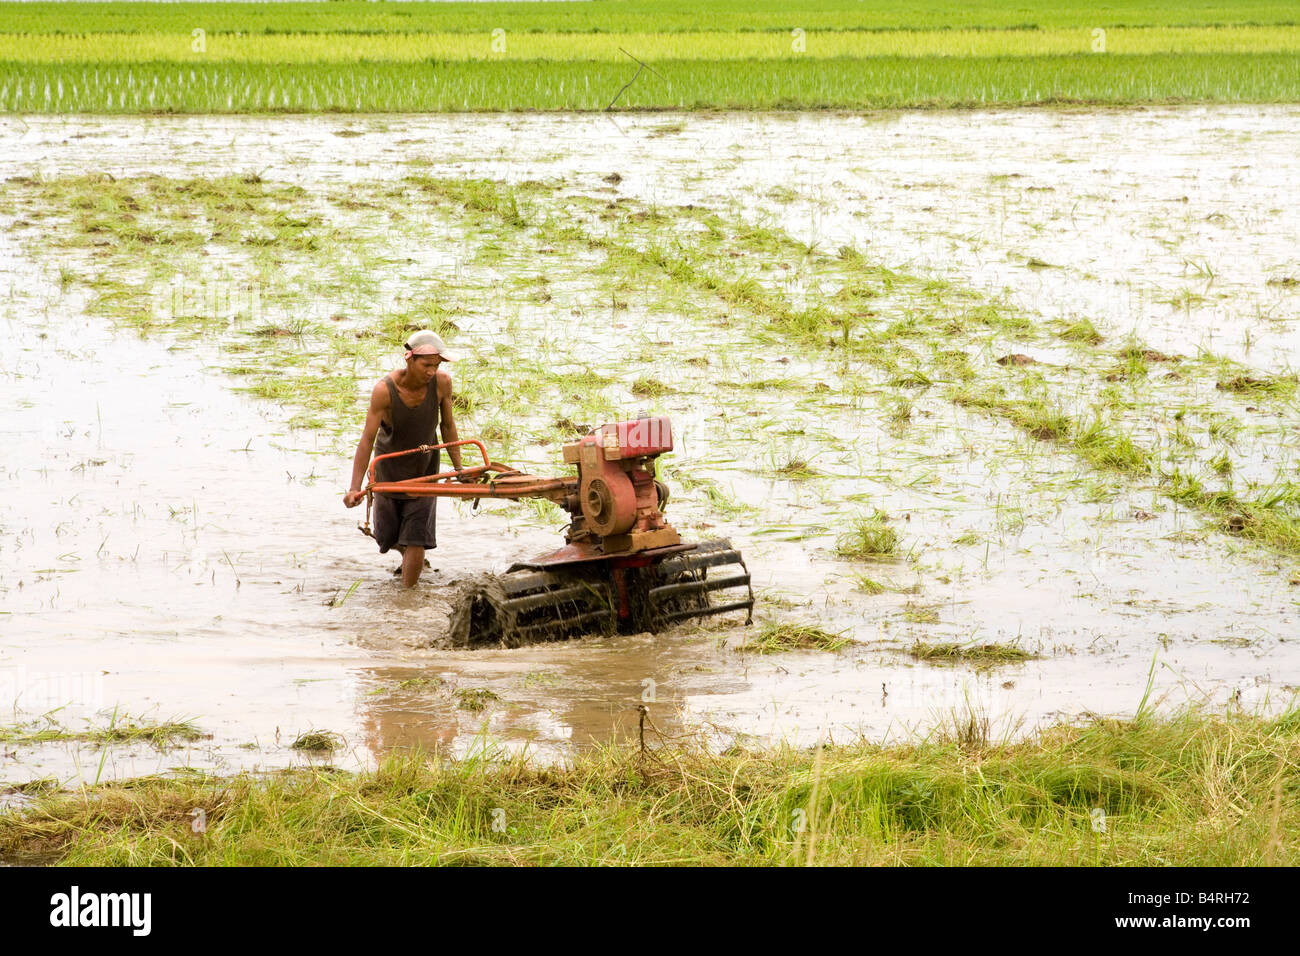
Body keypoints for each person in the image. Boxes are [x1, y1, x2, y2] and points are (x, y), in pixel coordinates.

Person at [344, 330, 464, 587]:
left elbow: (448, 427)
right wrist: (355, 488)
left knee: (417, 537)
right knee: (386, 537)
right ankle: (407, 553)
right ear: (409, 360)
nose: (432, 371)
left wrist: (459, 470)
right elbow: (367, 440)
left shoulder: (442, 384)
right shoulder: (384, 391)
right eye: (426, 365)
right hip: (389, 471)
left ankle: (407, 597)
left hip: (425, 471)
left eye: (436, 365)